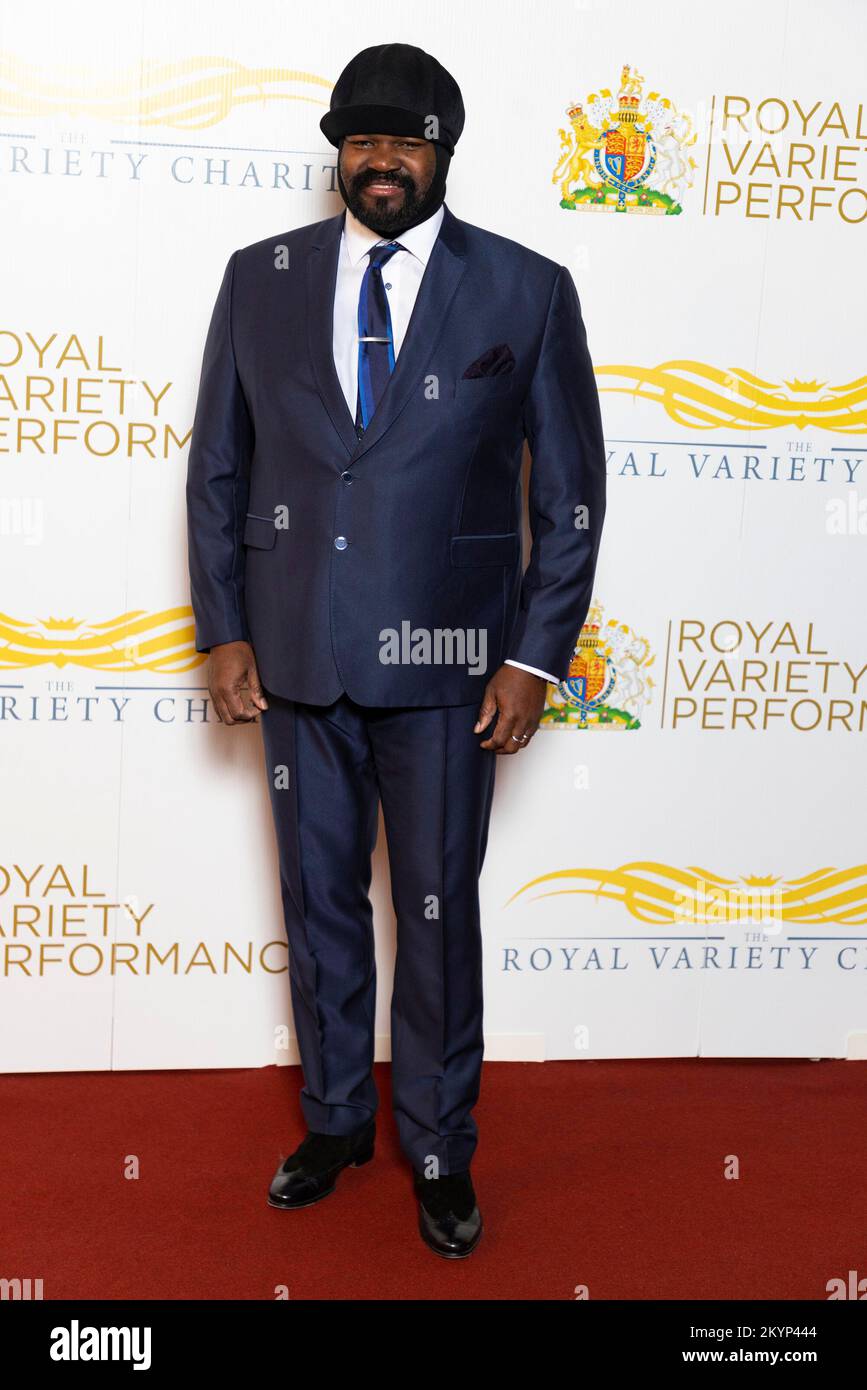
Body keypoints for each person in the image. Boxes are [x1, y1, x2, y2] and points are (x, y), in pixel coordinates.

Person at [186, 41, 606, 1259]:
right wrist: (224, 627)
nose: (382, 161)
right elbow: (221, 468)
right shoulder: (258, 279)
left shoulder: (525, 290)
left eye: (406, 141)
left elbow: (571, 492)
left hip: (452, 675)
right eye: (362, 140)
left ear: (443, 153)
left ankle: (436, 1148)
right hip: (300, 658)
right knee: (318, 906)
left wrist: (534, 658)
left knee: (434, 918)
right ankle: (331, 1122)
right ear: (339, 153)